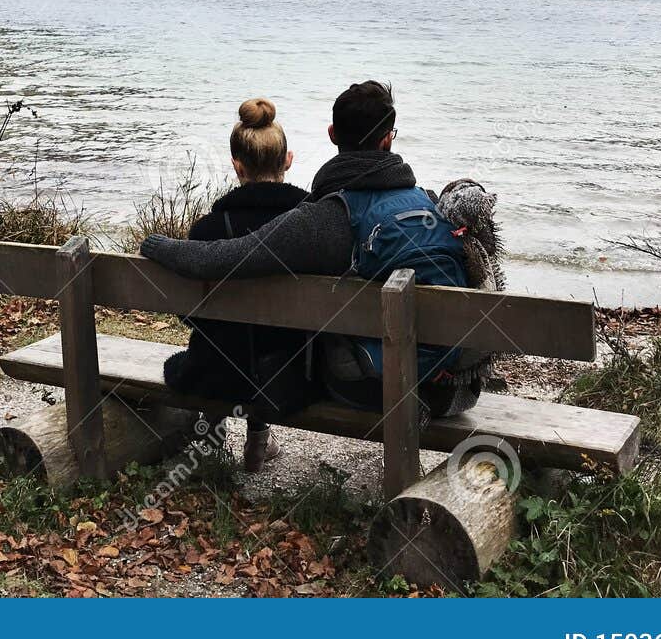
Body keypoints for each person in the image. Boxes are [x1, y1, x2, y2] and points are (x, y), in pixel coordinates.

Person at [141, 81, 480, 424]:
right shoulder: (428, 202)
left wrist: (156, 244)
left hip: (374, 387)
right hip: (453, 388)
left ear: (332, 133)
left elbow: (222, 259)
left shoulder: (323, 218)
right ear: (388, 138)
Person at [161, 98, 310, 472]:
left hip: (219, 373)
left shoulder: (208, 231)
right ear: (287, 160)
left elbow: (189, 312)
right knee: (266, 338)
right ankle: (259, 437)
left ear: (237, 166)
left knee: (222, 340)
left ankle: (213, 432)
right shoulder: (313, 227)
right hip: (286, 376)